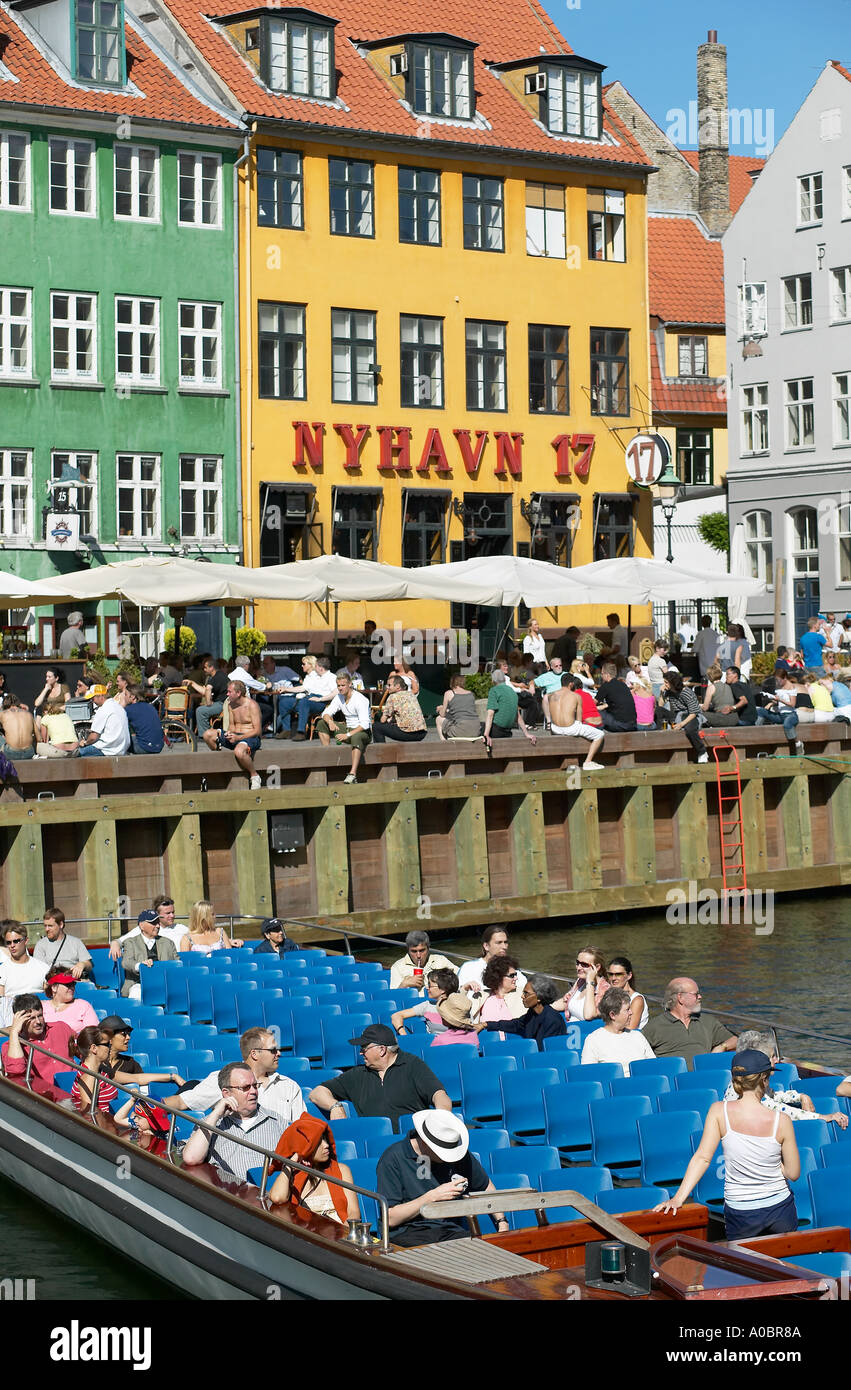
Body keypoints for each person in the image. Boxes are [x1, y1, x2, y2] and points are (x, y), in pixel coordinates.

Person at [655, 1050, 800, 1240]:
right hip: (780, 1208)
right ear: (764, 1080)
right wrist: (774, 1163)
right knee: (783, 1267)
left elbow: (702, 1158)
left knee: (743, 1267)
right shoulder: (782, 1120)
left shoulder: (718, 1111)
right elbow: (793, 1173)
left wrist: (678, 1199)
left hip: (741, 1210)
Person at [376, 1109, 509, 1246]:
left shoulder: (457, 1153)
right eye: (444, 1153)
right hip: (408, 1235)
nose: (449, 1158)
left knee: (483, 1251)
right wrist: (431, 1197)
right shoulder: (393, 1158)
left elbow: (486, 1187)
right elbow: (390, 1217)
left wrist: (501, 1221)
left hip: (451, 1233)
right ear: (426, 1144)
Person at [308, 1023, 451, 1130]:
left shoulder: (412, 1065)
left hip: (413, 1142)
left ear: (382, 1049)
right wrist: (335, 1106)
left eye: (364, 1048)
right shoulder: (358, 1074)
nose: (360, 1053)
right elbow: (316, 1093)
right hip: (374, 1146)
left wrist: (441, 1119)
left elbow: (439, 1094)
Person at [164, 1028, 305, 1123]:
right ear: (254, 1054)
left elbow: (302, 1126)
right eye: (273, 1050)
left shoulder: (289, 1086)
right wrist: (147, 1105)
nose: (279, 1053)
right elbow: (182, 1102)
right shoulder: (224, 1078)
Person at [721, 1029, 848, 1128]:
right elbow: (778, 1108)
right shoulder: (748, 1087)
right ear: (760, 1060)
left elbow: (772, 1095)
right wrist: (823, 1117)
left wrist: (800, 1096)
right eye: (772, 1056)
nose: (777, 1060)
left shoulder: (753, 1079)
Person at [182, 1062, 287, 1183]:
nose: (253, 1091)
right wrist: (216, 1114)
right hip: (229, 1197)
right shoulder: (211, 1124)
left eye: (255, 1085)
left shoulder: (277, 1121)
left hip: (268, 1196)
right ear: (227, 1093)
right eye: (246, 1087)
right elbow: (191, 1158)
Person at [269, 1115, 359, 1224]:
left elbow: (354, 1213)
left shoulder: (342, 1170)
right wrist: (290, 1165)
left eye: (325, 1139)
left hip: (341, 1234)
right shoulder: (292, 1176)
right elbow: (277, 1197)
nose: (326, 1145)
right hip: (307, 1236)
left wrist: (342, 1236)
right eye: (318, 1142)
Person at [643, 977, 737, 1065]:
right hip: (673, 1080)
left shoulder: (707, 1021)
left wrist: (722, 1047)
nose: (700, 997)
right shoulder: (655, 1026)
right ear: (680, 997)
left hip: (704, 1076)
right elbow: (637, 1053)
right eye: (696, 994)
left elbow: (736, 1040)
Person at [1, 994, 74, 1100]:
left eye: (40, 1016)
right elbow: (16, 1072)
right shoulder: (12, 1045)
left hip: (74, 1093)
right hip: (44, 1099)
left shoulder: (60, 1027)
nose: (38, 1022)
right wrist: (14, 1032)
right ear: (20, 1020)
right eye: (31, 1018)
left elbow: (83, 1051)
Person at [475, 974, 566, 1050]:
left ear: (539, 997)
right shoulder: (533, 1013)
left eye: (526, 993)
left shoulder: (552, 1020)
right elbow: (516, 1024)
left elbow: (544, 1050)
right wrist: (485, 1024)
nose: (522, 996)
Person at [202, 680, 263, 789]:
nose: (227, 694)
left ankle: (254, 775)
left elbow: (258, 731)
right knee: (208, 734)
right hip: (236, 736)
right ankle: (220, 761)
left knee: (239, 751)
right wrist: (230, 734)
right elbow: (232, 725)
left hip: (250, 737)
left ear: (238, 693)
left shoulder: (252, 705)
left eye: (230, 692)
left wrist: (239, 737)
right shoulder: (230, 705)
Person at [580, 987, 656, 1075]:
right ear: (613, 1015)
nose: (631, 1012)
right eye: (627, 1009)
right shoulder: (593, 1040)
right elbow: (588, 1074)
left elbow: (653, 1067)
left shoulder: (638, 1036)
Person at [98, 1015, 187, 1090]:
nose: (128, 1037)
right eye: (124, 1034)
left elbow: (141, 1079)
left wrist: (173, 1076)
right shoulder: (96, 1061)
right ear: (108, 1038)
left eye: (129, 1033)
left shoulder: (130, 1062)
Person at [69, 1025, 134, 1127]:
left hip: (112, 1122)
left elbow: (136, 1078)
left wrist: (168, 1077)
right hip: (106, 1128)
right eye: (107, 1044)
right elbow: (88, 1117)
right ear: (94, 1048)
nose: (110, 1048)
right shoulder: (89, 1078)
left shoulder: (101, 1070)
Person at [315, 672, 372, 784]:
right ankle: (328, 757)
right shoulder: (339, 697)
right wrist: (330, 721)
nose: (340, 688)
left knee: (356, 737)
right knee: (321, 723)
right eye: (338, 686)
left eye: (343, 685)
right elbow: (325, 713)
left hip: (363, 732)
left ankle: (352, 774)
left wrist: (347, 735)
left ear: (350, 684)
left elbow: (365, 724)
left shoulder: (360, 699)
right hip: (347, 729)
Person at [120, 909, 178, 999]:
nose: (158, 926)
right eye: (153, 923)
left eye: (158, 922)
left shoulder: (168, 943)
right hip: (138, 983)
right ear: (141, 925)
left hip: (164, 983)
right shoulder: (131, 942)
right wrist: (140, 966)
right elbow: (126, 962)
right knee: (136, 993)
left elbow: (177, 964)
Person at [109, 895, 185, 961]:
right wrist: (115, 944)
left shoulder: (182, 928)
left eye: (173, 912)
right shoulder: (144, 929)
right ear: (157, 914)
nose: (172, 916)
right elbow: (119, 941)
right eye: (168, 913)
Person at [0, 923, 48, 1027]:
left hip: (38, 1015)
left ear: (26, 941)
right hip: (13, 1017)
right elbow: (1, 1002)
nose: (12, 945)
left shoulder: (42, 967)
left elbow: (49, 996)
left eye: (16, 941)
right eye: (8, 942)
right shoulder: (2, 970)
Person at [457, 926, 527, 994]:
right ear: (486, 946)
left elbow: (524, 986)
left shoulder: (512, 969)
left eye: (505, 942)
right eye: (499, 943)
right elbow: (457, 994)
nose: (504, 947)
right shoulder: (469, 968)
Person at [391, 967, 460, 1037]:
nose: (427, 988)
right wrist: (404, 1035)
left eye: (430, 985)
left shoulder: (460, 1006)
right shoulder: (428, 1006)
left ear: (443, 989)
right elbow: (396, 1016)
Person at [658, 670, 708, 761]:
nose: (664, 684)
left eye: (666, 682)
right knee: (658, 710)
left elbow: (694, 712)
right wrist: (662, 693)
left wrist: (681, 724)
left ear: (672, 683)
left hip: (690, 715)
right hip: (677, 715)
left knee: (690, 730)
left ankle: (702, 751)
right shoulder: (669, 691)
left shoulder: (686, 693)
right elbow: (660, 705)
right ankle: (659, 734)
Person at [482, 669, 537, 747]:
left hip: (496, 731)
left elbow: (490, 713)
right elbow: (518, 716)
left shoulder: (494, 690)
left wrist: (486, 734)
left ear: (492, 680)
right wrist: (526, 734)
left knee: (479, 727)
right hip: (507, 732)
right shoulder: (512, 691)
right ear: (504, 679)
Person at [33, 907, 92, 979]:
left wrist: (82, 964)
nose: (46, 929)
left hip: (74, 980)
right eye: (45, 925)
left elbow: (89, 965)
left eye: (50, 926)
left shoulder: (76, 942)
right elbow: (39, 970)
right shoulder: (41, 944)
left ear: (61, 924)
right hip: (54, 981)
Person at [388, 930, 455, 993]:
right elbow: (394, 997)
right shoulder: (398, 967)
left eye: (422, 950)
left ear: (428, 948)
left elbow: (460, 976)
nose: (418, 955)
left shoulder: (440, 960)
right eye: (414, 951)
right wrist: (404, 985)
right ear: (408, 950)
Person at [76, 684, 130, 758]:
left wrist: (85, 743)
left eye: (93, 698)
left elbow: (93, 737)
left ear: (101, 696)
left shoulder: (103, 709)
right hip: (122, 748)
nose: (92, 701)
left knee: (76, 753)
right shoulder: (118, 706)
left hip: (107, 749)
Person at [291, 655, 337, 741]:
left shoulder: (331, 677)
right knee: (287, 702)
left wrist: (320, 699)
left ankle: (301, 732)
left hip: (322, 702)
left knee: (304, 703)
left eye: (315, 666)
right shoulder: (317, 677)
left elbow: (335, 693)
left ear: (320, 668)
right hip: (310, 698)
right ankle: (287, 730)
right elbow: (305, 687)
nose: (314, 669)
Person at [372, 673, 427, 743]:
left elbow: (383, 720)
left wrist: (387, 718)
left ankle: (381, 752)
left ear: (398, 686)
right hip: (422, 733)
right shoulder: (411, 694)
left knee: (376, 727)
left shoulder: (392, 697)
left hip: (408, 733)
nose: (387, 687)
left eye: (389, 685)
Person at [476, 955, 525, 1033]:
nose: (516, 978)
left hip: (514, 1041)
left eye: (515, 975)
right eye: (512, 976)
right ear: (498, 977)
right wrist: (465, 988)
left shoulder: (522, 993)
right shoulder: (483, 996)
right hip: (487, 1041)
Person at [42, 970, 99, 1034]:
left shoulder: (83, 1005)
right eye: (68, 984)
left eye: (73, 984)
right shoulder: (41, 1007)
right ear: (54, 987)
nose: (72, 987)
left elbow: (93, 1034)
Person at [185, 656, 230, 737]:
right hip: (221, 703)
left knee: (200, 710)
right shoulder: (215, 676)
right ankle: (207, 733)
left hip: (223, 704)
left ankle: (205, 735)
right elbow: (205, 691)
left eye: (205, 668)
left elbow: (208, 689)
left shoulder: (217, 677)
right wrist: (192, 683)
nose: (204, 669)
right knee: (201, 709)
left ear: (211, 668)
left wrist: (208, 703)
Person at [561, 946, 608, 1021]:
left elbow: (588, 1015)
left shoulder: (605, 990)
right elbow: (565, 1002)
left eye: (584, 965)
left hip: (585, 1031)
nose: (578, 968)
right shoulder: (581, 981)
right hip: (571, 1026)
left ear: (597, 967)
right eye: (578, 963)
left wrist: (590, 982)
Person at [605, 956, 648, 1030]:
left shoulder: (637, 1000)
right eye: (611, 974)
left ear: (629, 976)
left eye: (618, 974)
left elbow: (630, 1028)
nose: (613, 978)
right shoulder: (609, 996)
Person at [436, 674, 481, 741]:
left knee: (439, 719)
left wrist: (440, 709)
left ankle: (444, 743)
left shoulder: (449, 693)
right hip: (476, 730)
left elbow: (442, 714)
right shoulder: (471, 694)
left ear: (452, 682)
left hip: (461, 730)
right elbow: (461, 711)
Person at [596, 663, 637, 733]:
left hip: (620, 725)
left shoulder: (605, 686)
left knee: (597, 713)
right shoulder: (623, 685)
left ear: (607, 674)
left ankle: (596, 735)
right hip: (633, 724)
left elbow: (592, 703)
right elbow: (617, 702)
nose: (601, 676)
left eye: (602, 674)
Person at [123, 684, 165, 754]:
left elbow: (117, 721)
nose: (124, 697)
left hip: (144, 747)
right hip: (158, 746)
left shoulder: (129, 709)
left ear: (132, 697)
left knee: (121, 740)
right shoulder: (150, 706)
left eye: (125, 694)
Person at [0, 694, 35, 759]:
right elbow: (39, 739)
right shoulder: (29, 714)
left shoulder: (3, 714)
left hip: (11, 753)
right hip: (29, 753)